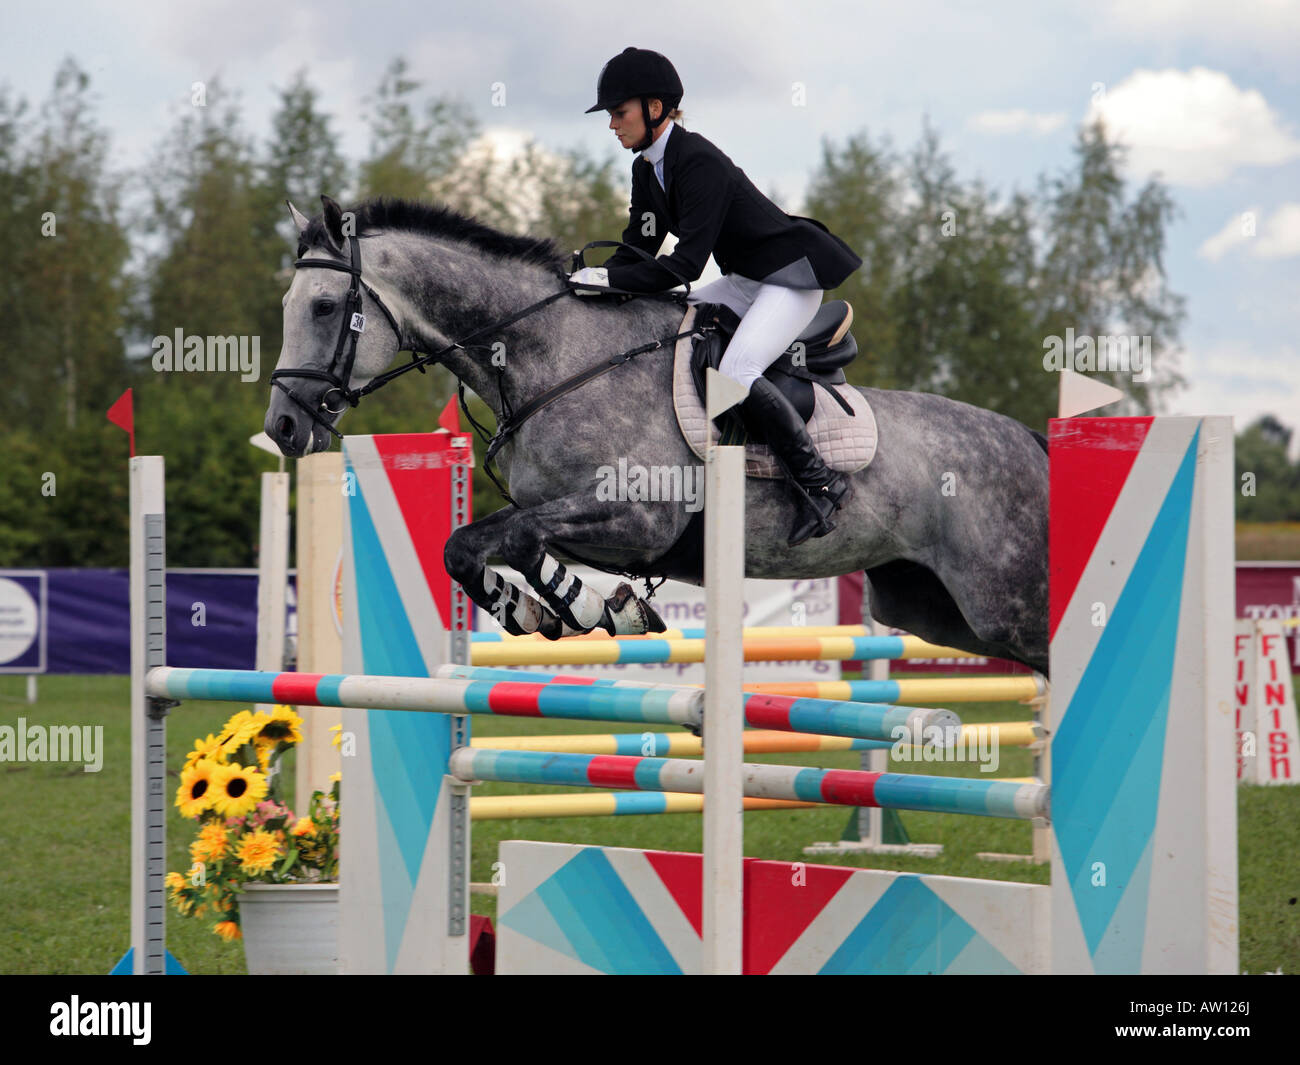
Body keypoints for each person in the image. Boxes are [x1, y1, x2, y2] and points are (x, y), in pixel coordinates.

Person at [570, 47, 863, 546]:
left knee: (737, 371)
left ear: (655, 108)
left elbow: (683, 264)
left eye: (620, 113)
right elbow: (639, 246)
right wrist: (594, 280)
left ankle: (821, 484)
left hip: (788, 280)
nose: (613, 125)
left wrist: (613, 282)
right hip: (748, 280)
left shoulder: (697, 159)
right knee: (670, 323)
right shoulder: (648, 169)